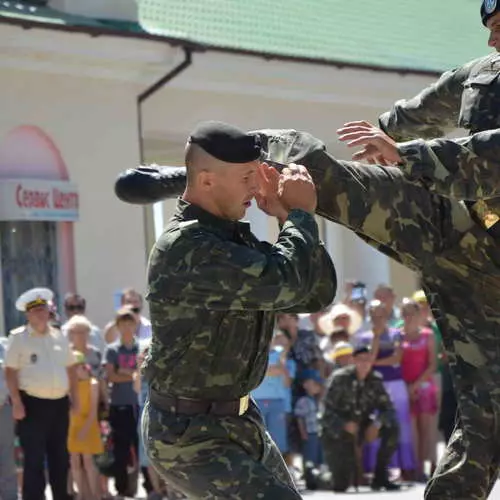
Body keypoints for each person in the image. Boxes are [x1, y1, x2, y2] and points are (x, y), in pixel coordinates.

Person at [141, 121, 337, 499]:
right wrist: (299, 217)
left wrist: (287, 217)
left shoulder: (231, 237)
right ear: (207, 180)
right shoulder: (188, 247)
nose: (255, 185)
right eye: (247, 175)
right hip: (189, 435)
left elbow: (314, 293)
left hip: (238, 422)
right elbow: (285, 281)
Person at [4, 287, 78, 500]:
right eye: (35, 310)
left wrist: (74, 398)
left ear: (49, 311)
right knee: (34, 459)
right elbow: (10, 370)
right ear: (27, 314)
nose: (40, 313)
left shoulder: (59, 336)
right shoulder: (18, 338)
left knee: (60, 457)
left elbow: (70, 367)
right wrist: (16, 402)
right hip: (32, 404)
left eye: (43, 309)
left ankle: (60, 496)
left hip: (59, 404)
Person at [320, 346, 400, 492]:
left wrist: (376, 423)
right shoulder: (339, 378)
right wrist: (344, 425)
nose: (365, 364)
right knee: (340, 485)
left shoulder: (375, 379)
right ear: (353, 360)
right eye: (360, 360)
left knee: (392, 426)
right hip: (337, 432)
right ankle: (316, 477)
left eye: (368, 359)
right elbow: (325, 412)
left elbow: (388, 409)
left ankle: (380, 477)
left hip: (362, 426)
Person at [67, 351, 103, 500]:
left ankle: (95, 495)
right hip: (73, 425)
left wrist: (85, 429)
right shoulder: (70, 385)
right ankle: (81, 494)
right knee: (74, 461)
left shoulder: (93, 383)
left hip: (89, 425)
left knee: (88, 461)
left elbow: (93, 412)